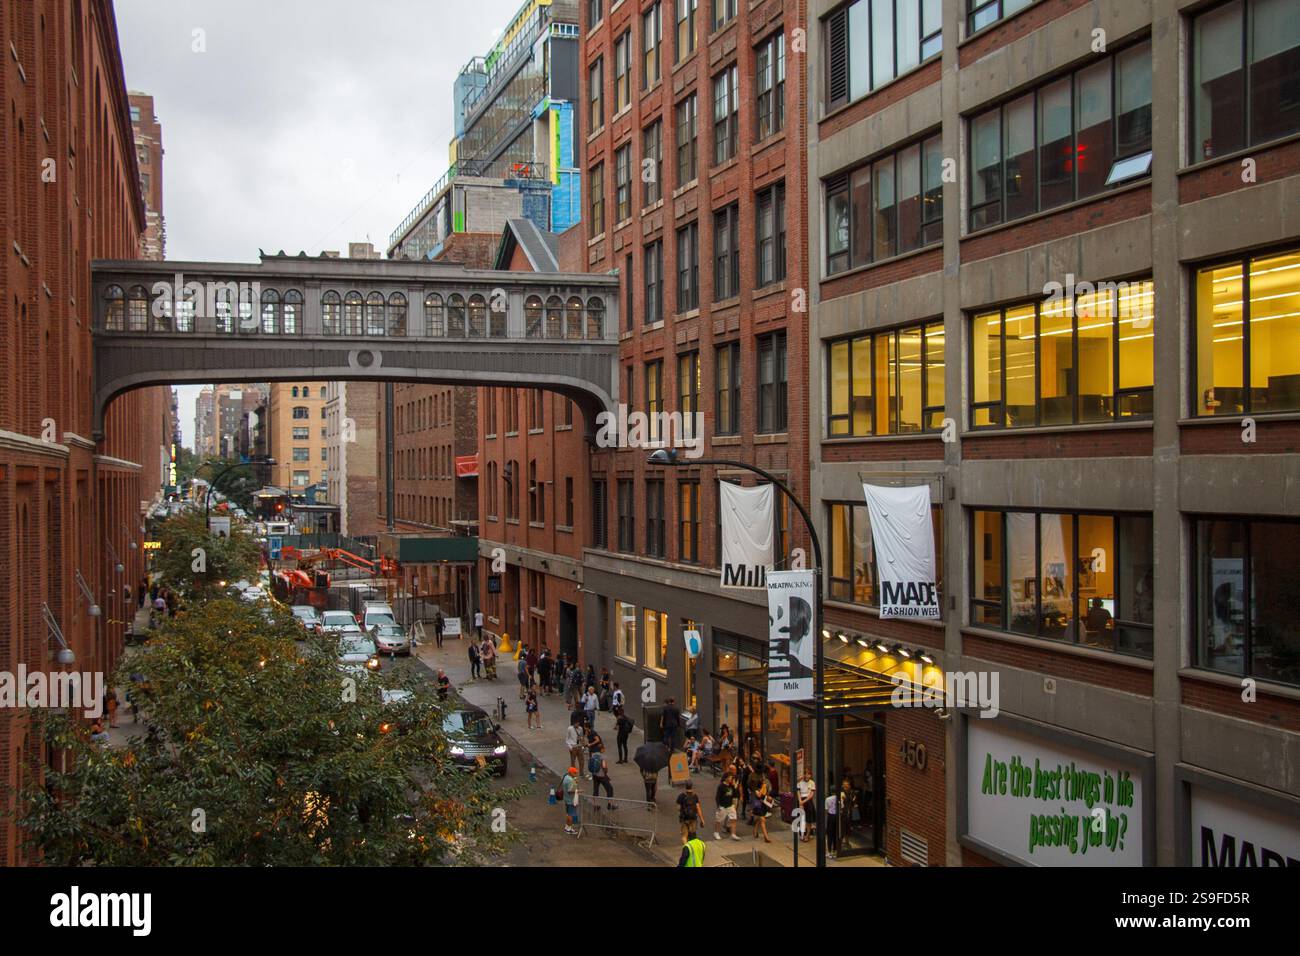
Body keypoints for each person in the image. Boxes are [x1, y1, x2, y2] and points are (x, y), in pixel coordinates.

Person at [714, 770, 740, 841]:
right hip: (723, 806)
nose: (731, 779)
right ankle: (716, 832)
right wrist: (718, 806)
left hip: (730, 806)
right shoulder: (721, 786)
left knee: (734, 819)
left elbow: (735, 795)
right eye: (730, 777)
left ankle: (733, 834)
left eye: (732, 778)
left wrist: (734, 787)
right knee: (719, 820)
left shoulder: (731, 786)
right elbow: (717, 797)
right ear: (726, 778)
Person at [589, 736, 613, 800]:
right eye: (604, 748)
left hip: (594, 775)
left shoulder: (593, 755)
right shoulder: (602, 757)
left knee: (596, 790)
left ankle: (595, 805)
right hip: (601, 775)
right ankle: (610, 804)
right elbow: (604, 767)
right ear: (602, 749)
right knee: (609, 789)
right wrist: (606, 774)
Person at [751, 774, 773, 843]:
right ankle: (766, 837)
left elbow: (766, 795)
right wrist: (763, 788)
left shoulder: (764, 787)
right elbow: (759, 795)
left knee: (760, 819)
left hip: (763, 806)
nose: (764, 781)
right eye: (763, 781)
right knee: (763, 820)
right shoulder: (756, 790)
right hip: (758, 807)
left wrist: (769, 797)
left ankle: (755, 830)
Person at [797, 768, 816, 843]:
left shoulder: (812, 782)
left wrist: (803, 802)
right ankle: (802, 834)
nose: (806, 775)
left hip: (808, 801)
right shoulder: (800, 782)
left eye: (808, 774)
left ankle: (807, 835)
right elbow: (798, 792)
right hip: (800, 800)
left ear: (810, 775)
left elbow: (811, 795)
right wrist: (800, 801)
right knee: (801, 819)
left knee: (809, 820)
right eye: (805, 774)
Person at [561, 767, 580, 835]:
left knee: (568, 814)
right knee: (571, 815)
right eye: (574, 773)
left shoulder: (566, 777)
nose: (576, 774)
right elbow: (570, 791)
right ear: (570, 773)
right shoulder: (570, 780)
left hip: (566, 799)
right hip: (571, 800)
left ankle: (567, 827)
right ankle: (569, 829)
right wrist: (578, 791)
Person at [825, 785, 839, 859]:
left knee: (829, 834)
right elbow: (841, 808)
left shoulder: (828, 799)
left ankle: (829, 852)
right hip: (837, 816)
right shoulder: (839, 798)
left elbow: (826, 809)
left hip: (830, 816)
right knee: (835, 834)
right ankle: (835, 851)